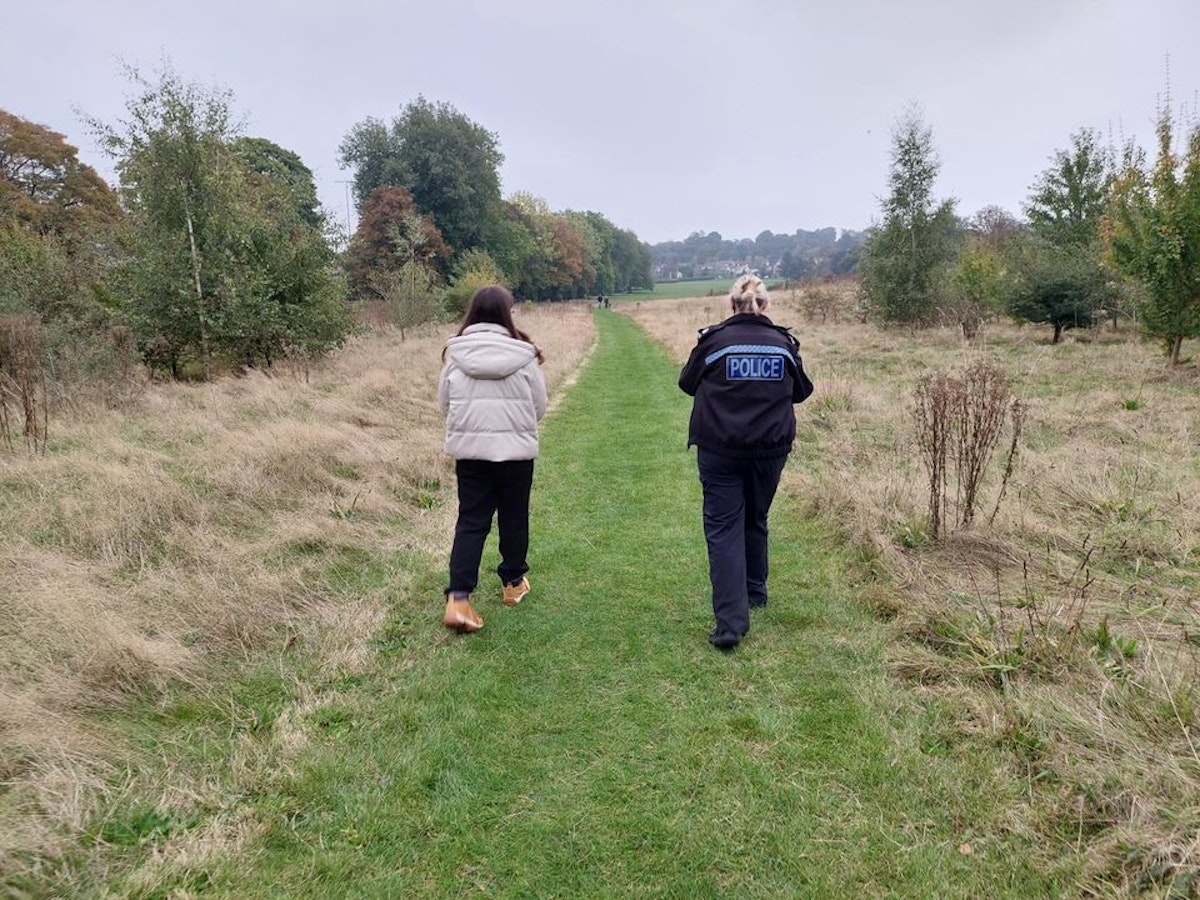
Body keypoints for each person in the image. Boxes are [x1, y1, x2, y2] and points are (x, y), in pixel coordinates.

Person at [678, 274, 814, 650]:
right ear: (764, 305)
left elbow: (687, 383)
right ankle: (755, 591)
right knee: (756, 517)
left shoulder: (713, 342)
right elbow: (802, 391)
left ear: (731, 305)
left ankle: (730, 625)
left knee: (723, 529)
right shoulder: (784, 345)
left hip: (719, 449)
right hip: (770, 451)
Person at [437, 285, 548, 633]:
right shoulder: (524, 355)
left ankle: (458, 598)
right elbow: (539, 407)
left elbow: (445, 404)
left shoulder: (455, 355)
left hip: (471, 453)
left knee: (471, 520)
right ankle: (513, 584)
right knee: (514, 516)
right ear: (506, 313)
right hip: (515, 452)